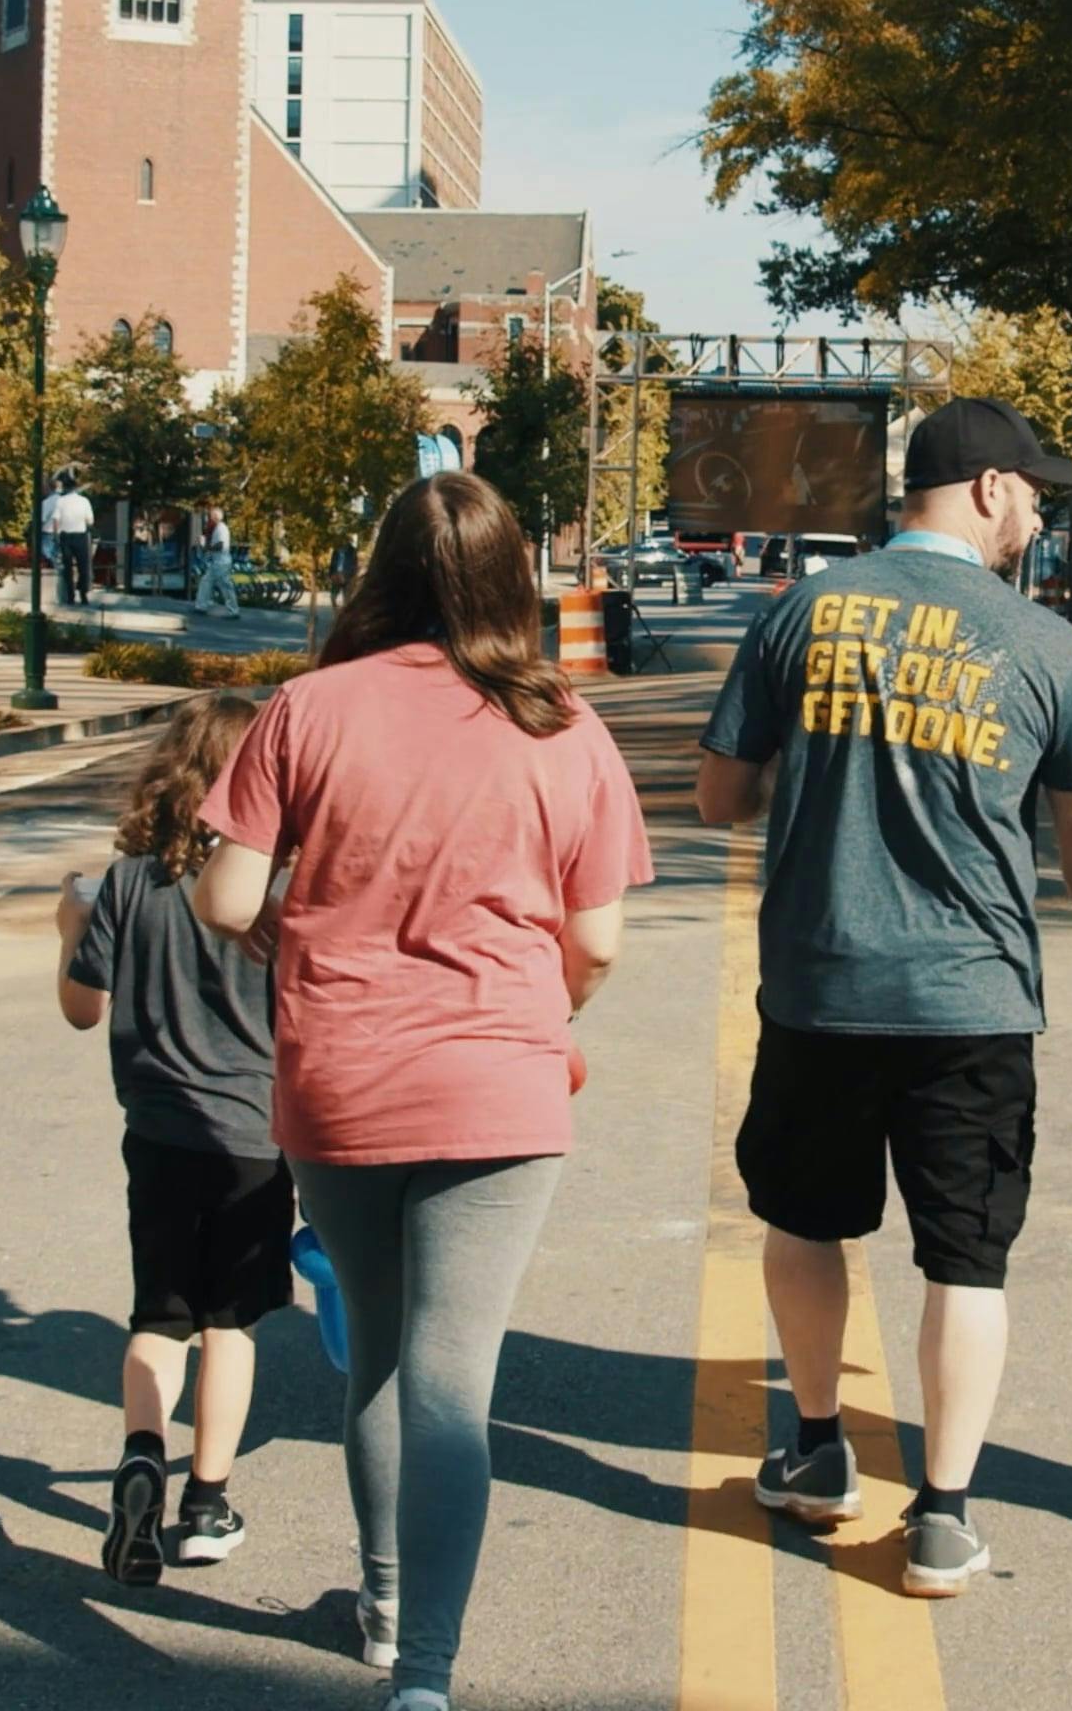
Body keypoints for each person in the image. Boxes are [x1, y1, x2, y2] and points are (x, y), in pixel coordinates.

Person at [194, 469, 653, 1711]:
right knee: (456, 1379)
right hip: (497, 1083)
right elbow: (597, 936)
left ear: (380, 573)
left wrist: (299, 940)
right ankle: (427, 1677)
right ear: (513, 581)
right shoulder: (564, 724)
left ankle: (386, 1604)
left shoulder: (304, 707)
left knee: (379, 1359)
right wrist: (534, 1009)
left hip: (339, 1078)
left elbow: (228, 899)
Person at [695, 395, 1072, 1600]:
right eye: (1033, 490)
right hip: (974, 1001)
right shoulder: (1041, 643)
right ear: (987, 488)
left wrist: (818, 755)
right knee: (968, 1262)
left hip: (822, 986)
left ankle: (822, 1446)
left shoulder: (805, 616)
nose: (1038, 512)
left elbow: (716, 799)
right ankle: (942, 1513)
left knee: (804, 1220)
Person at [58, 695, 283, 1583]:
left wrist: (69, 930)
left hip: (154, 1132)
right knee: (230, 1326)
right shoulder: (278, 881)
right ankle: (206, 1501)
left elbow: (82, 1012)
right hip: (255, 1137)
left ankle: (141, 1455)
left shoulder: (127, 880)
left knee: (160, 1319)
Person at [48, 470, 98, 608]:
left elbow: (56, 520)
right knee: (84, 566)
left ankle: (70, 596)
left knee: (67, 568)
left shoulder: (61, 502)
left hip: (66, 536)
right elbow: (90, 521)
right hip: (80, 536)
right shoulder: (84, 501)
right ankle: (83, 595)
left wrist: (55, 536)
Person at [198, 508, 239, 618]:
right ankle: (201, 606)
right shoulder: (217, 528)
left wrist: (207, 548)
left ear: (215, 517)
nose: (209, 518)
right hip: (218, 562)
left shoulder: (221, 529)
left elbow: (220, 545)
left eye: (211, 516)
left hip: (221, 562)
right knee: (206, 581)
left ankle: (233, 611)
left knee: (225, 586)